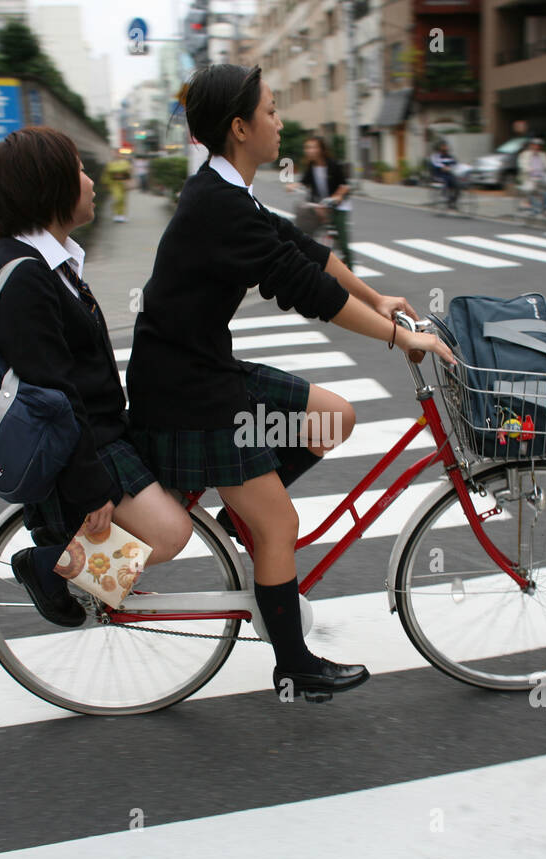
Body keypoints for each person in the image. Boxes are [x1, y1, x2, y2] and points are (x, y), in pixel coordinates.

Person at [126, 64, 455, 700]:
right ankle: (295, 664)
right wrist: (402, 337)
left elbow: (301, 248)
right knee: (280, 525)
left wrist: (376, 296)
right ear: (241, 127)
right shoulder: (217, 205)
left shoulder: (229, 193)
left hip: (199, 367)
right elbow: (304, 289)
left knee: (334, 415)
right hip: (189, 390)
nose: (281, 121)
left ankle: (240, 510)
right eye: (272, 111)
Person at [0, 126, 193, 629]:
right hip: (80, 446)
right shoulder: (25, 276)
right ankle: (53, 569)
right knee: (169, 534)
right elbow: (50, 394)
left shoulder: (50, 263)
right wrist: (90, 489)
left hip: (99, 431)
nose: (91, 181)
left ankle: (100, 581)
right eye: (78, 170)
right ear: (48, 186)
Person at [289, 135, 353, 269]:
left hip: (338, 206)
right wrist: (294, 186)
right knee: (305, 231)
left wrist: (336, 197)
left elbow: (344, 186)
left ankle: (350, 269)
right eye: (307, 147)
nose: (309, 150)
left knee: (342, 240)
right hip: (320, 205)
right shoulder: (311, 166)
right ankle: (308, 264)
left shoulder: (333, 165)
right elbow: (304, 182)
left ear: (321, 149)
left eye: (313, 147)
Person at [517, 137, 546, 216]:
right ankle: (534, 208)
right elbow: (522, 165)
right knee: (532, 191)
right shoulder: (525, 155)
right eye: (534, 145)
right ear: (531, 146)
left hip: (541, 177)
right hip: (529, 177)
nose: (536, 147)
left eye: (538, 146)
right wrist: (529, 169)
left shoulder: (543, 155)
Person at [103, 148, 134, 222]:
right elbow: (107, 173)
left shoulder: (125, 162)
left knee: (123, 199)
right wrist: (106, 183)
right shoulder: (110, 163)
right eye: (114, 153)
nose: (116, 155)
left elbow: (128, 172)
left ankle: (121, 214)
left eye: (117, 153)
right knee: (117, 198)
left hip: (123, 183)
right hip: (114, 183)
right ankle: (116, 214)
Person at [429, 140, 460, 208]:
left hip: (448, 174)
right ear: (440, 147)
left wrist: (451, 167)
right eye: (443, 146)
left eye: (446, 146)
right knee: (446, 182)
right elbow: (435, 163)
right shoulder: (435, 156)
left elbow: (455, 163)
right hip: (439, 174)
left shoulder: (449, 156)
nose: (445, 147)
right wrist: (443, 167)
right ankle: (446, 195)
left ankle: (452, 201)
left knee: (457, 185)